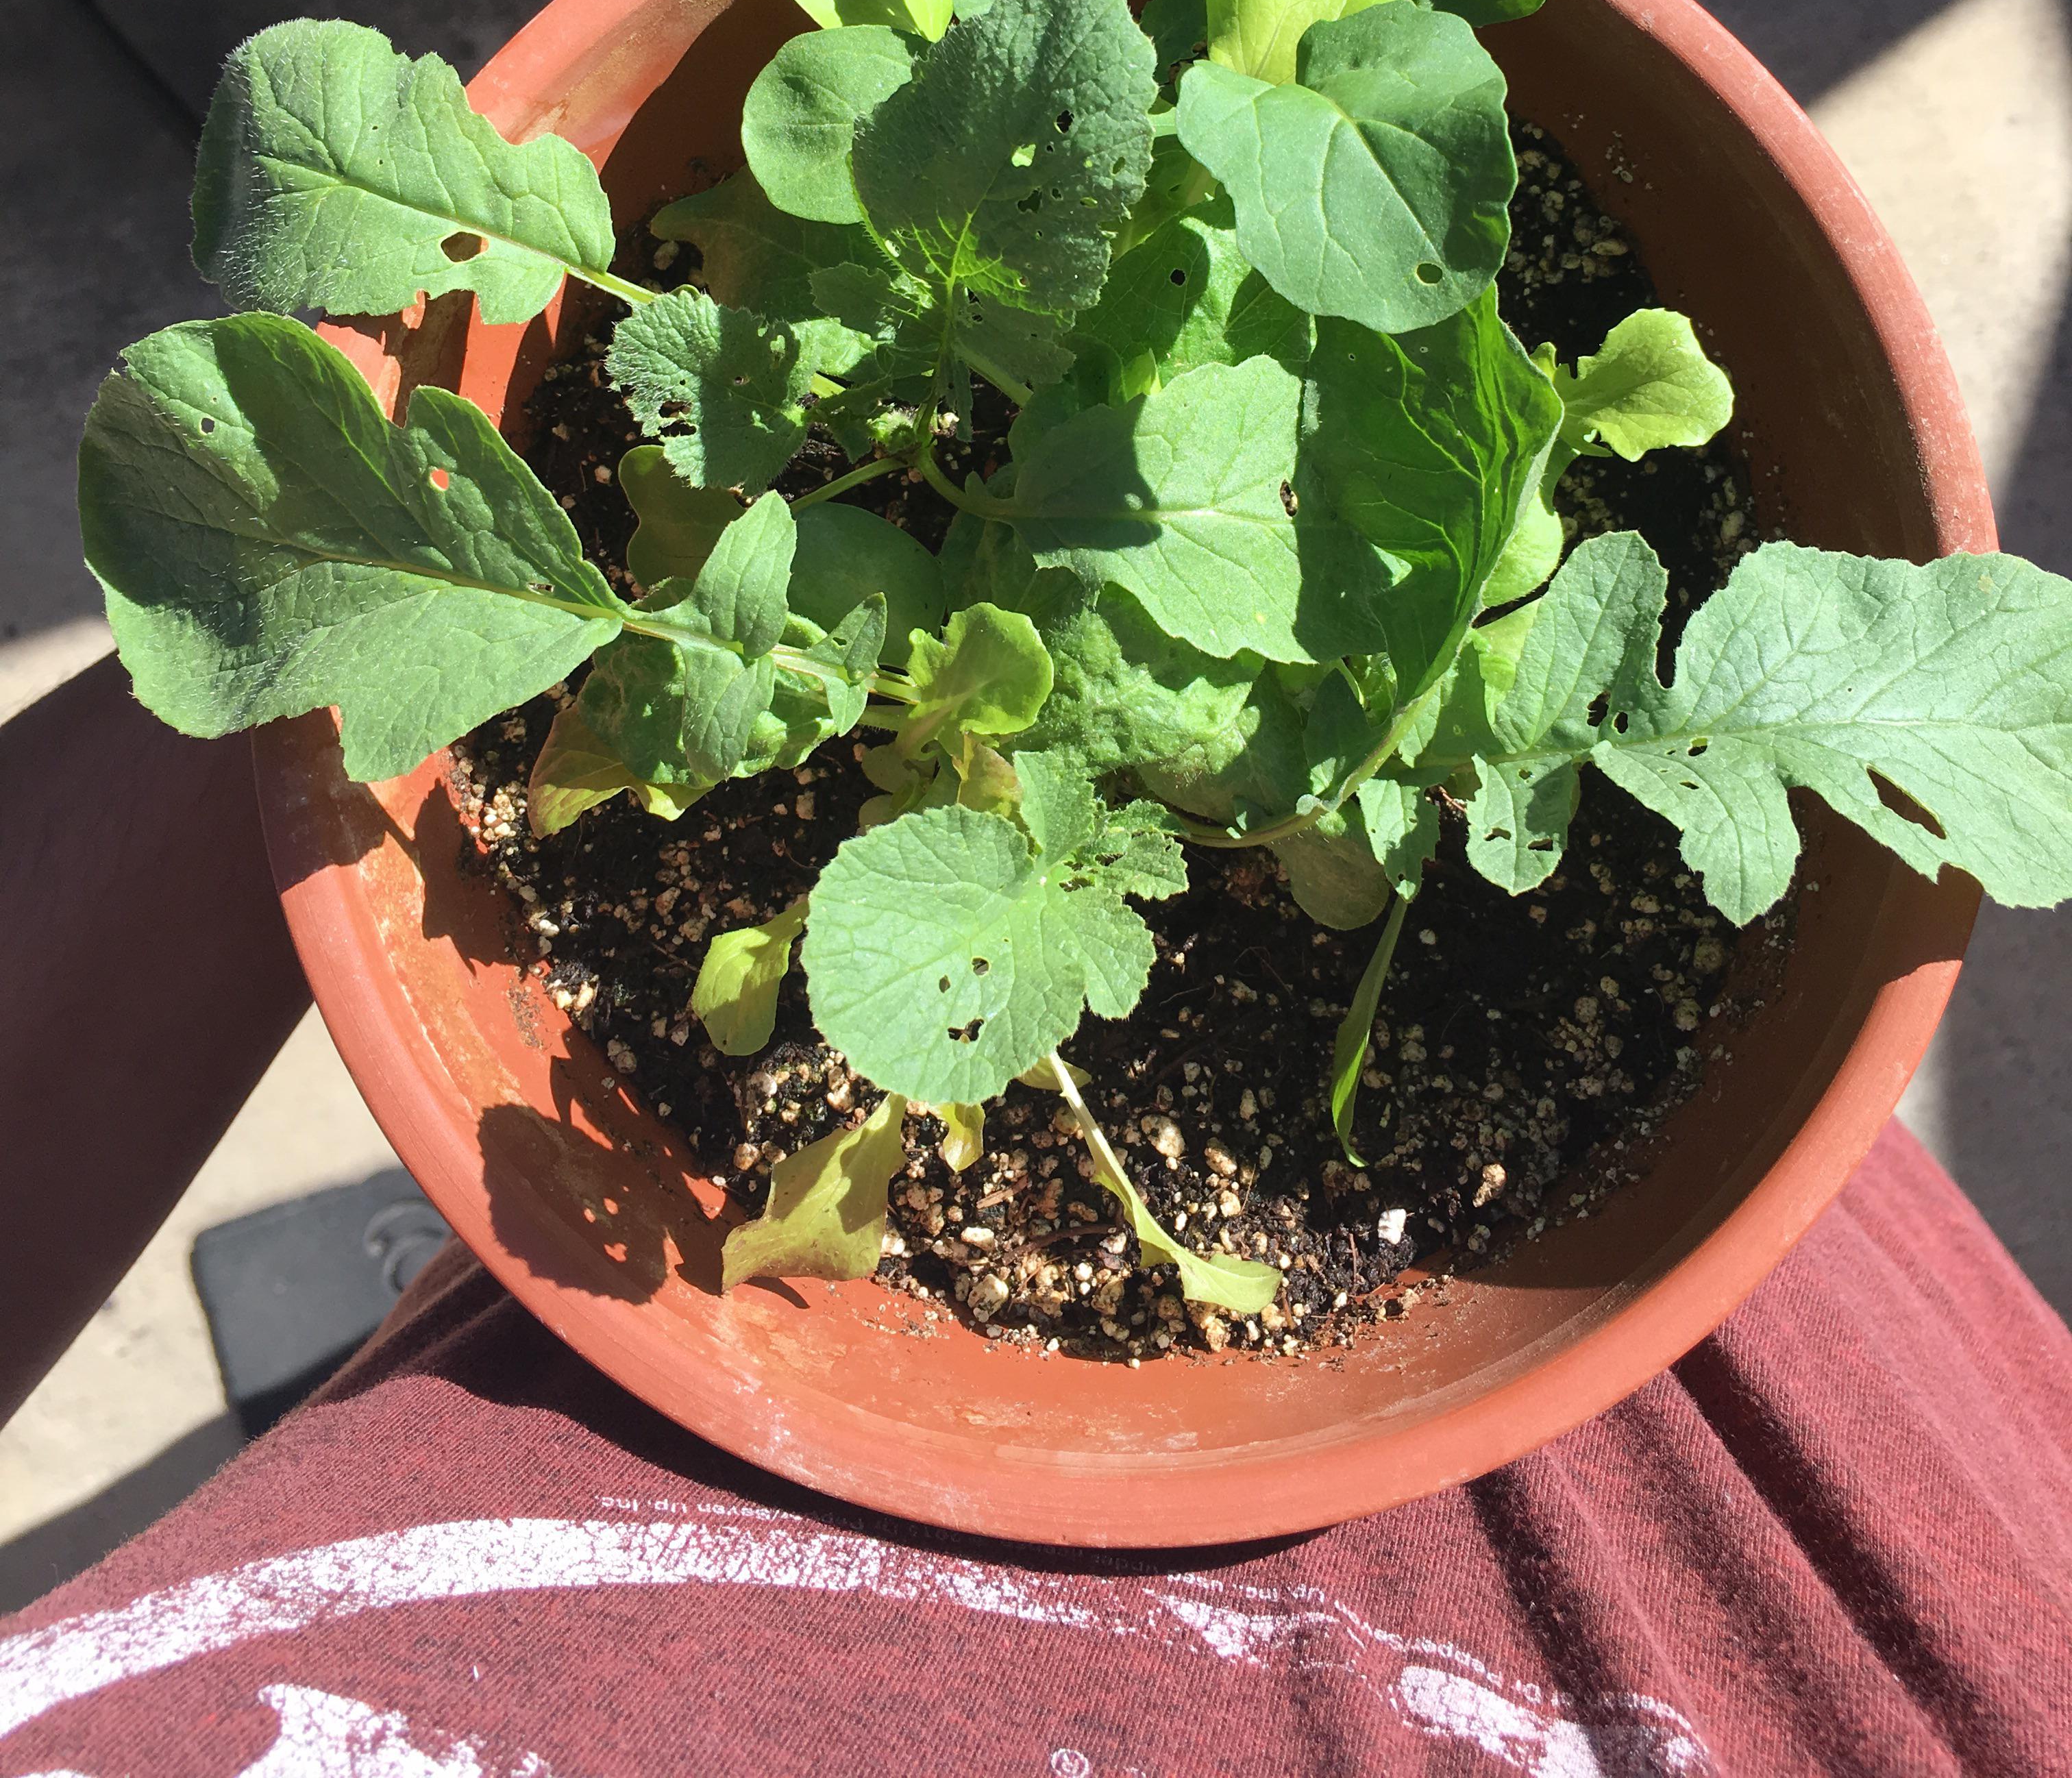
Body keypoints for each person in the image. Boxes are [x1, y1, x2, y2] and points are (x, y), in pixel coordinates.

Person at [2, 660, 2068, 1777]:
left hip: (637, 1366)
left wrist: (332, 628)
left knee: (609, 1159)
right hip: (1792, 1503)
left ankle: (467, 1292)